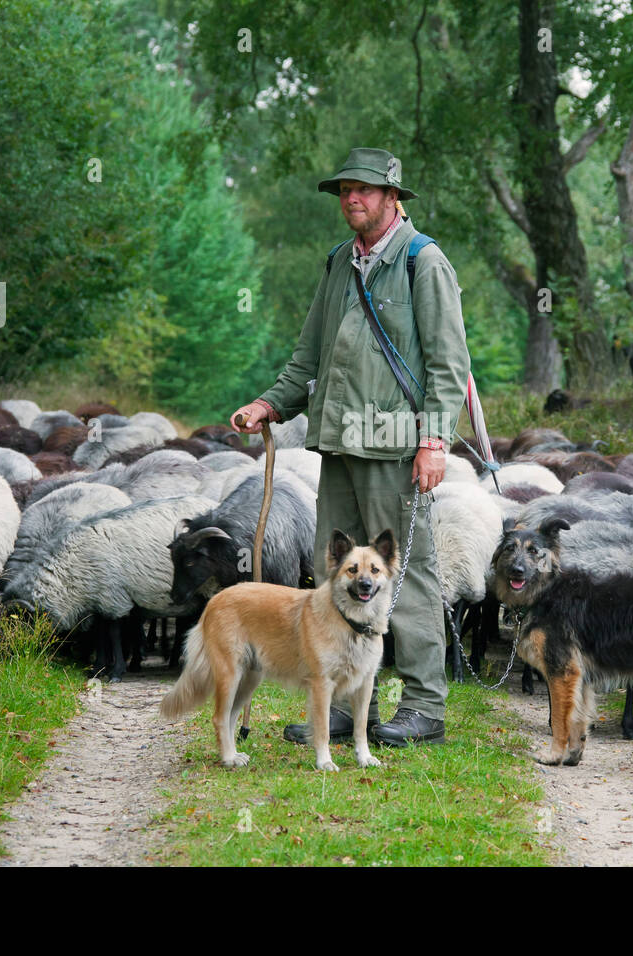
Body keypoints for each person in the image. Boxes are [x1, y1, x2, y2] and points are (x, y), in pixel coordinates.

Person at [230, 147, 470, 746]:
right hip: (338, 445)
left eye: (362, 190)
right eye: (344, 191)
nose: (351, 199)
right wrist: (270, 404)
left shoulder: (424, 261)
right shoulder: (339, 262)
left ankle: (423, 707)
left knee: (403, 575)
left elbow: (448, 363)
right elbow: (308, 355)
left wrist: (434, 440)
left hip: (396, 446)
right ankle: (337, 700)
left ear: (392, 197)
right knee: (334, 572)